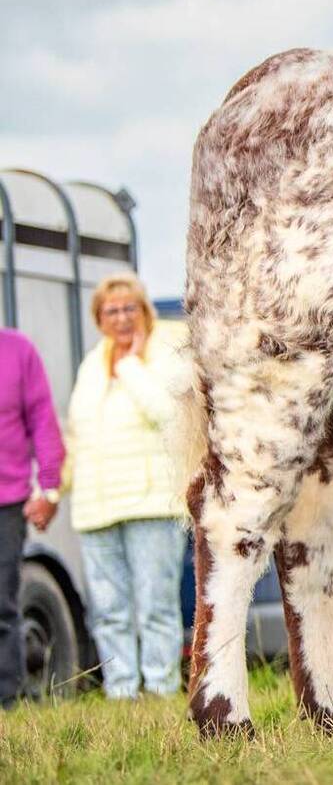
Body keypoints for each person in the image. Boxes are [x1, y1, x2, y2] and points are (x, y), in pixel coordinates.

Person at [64, 274, 191, 699]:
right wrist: (54, 490)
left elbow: (166, 413)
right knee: (108, 610)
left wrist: (133, 365)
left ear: (144, 312)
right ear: (98, 318)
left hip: (150, 504)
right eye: (111, 311)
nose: (120, 318)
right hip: (96, 508)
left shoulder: (162, 355)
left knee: (155, 605)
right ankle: (121, 690)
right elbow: (78, 434)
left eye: (128, 308)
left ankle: (159, 687)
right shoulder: (91, 363)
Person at [2, 328, 65, 708]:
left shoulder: (18, 350)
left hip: (5, 502)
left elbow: (43, 419)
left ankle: (5, 699)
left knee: (2, 603)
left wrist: (50, 487)